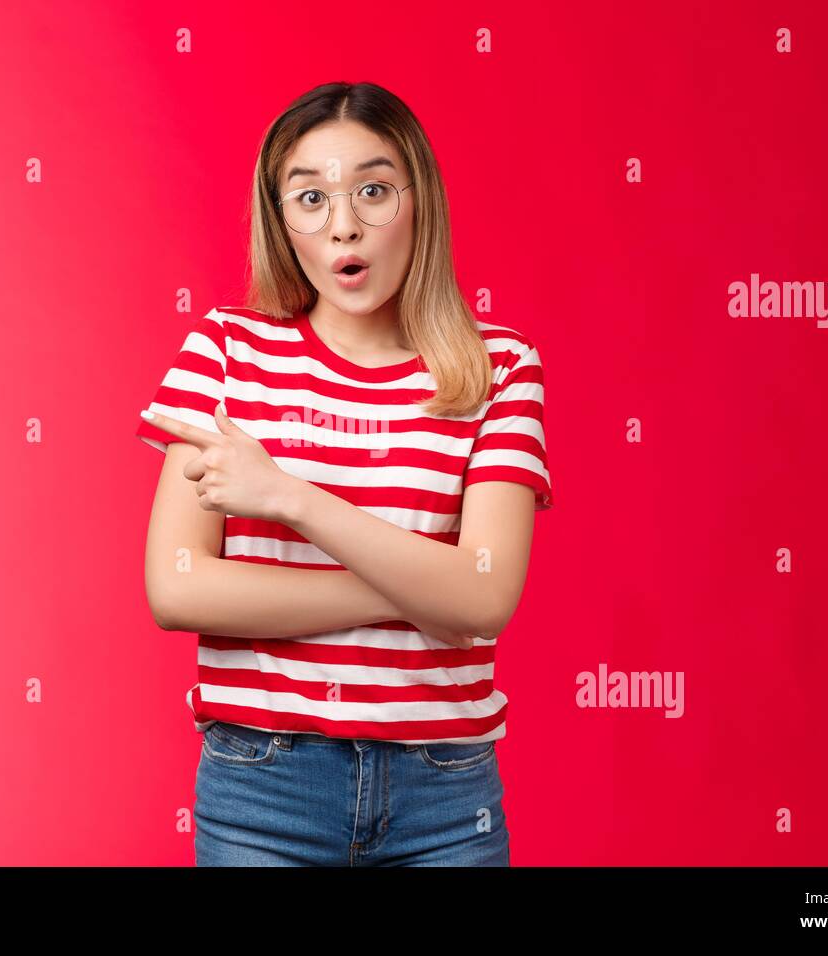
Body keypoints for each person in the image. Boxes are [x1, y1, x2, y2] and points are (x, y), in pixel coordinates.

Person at [134, 81, 553, 866]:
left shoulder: (499, 367)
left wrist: (288, 499)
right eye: (311, 197)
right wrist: (427, 590)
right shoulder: (227, 352)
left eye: (372, 190)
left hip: (445, 796)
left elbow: (487, 595)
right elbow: (179, 587)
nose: (344, 225)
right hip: (262, 786)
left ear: (418, 200)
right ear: (280, 217)